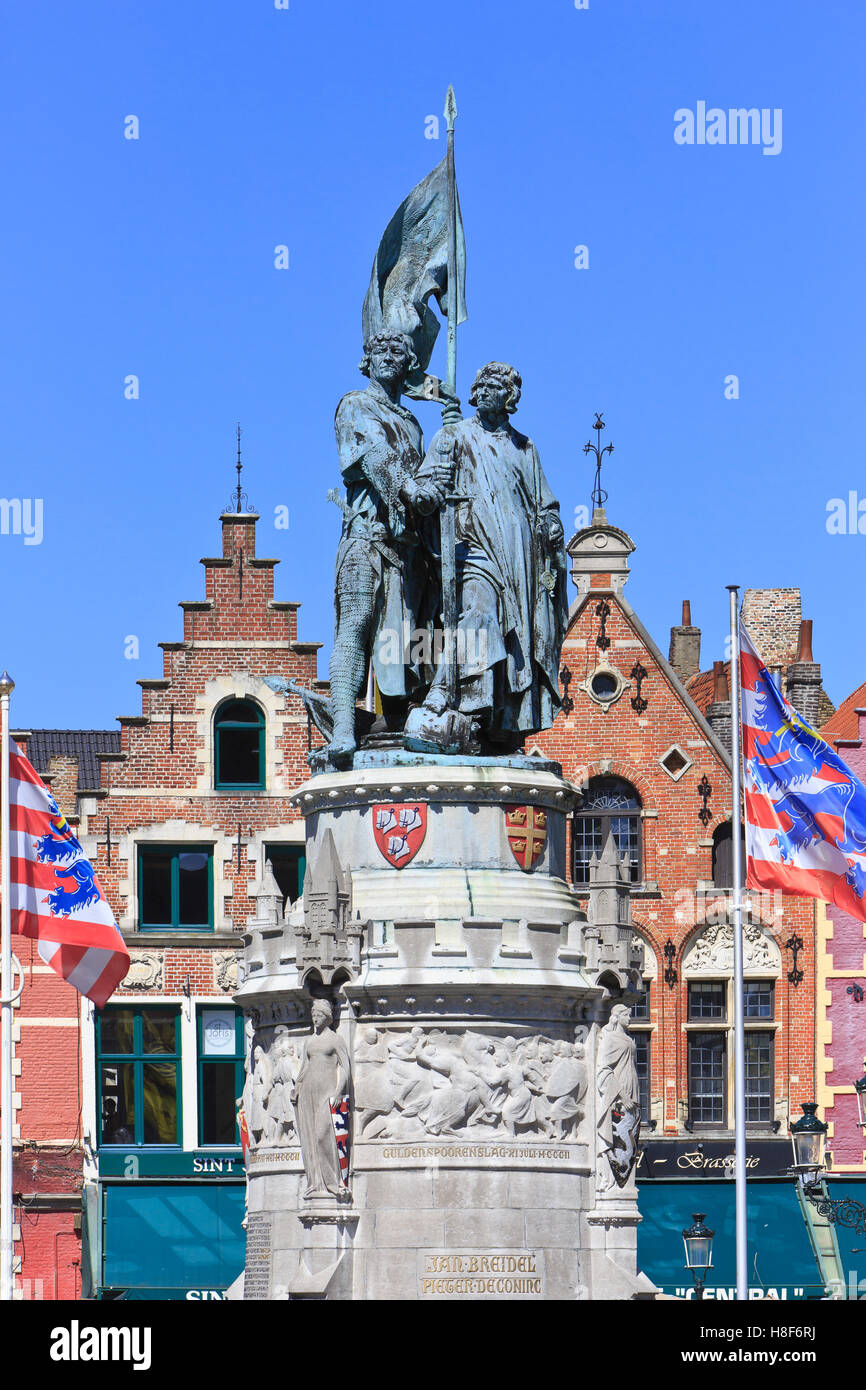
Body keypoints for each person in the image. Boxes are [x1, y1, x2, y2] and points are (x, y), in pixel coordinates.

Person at [416, 361, 567, 749]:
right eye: (479, 384)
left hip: (519, 558)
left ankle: (502, 722)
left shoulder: (525, 447)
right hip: (471, 547)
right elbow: (426, 488)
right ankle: (460, 699)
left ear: (509, 397)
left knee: (519, 638)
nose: (483, 390)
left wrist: (552, 526)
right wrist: (434, 488)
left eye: (494, 386)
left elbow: (545, 503)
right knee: (479, 612)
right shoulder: (453, 436)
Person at [329, 331, 451, 764]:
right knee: (357, 627)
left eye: (397, 351)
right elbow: (374, 457)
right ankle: (343, 723)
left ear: (409, 365)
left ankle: (400, 720)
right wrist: (412, 490)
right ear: (367, 360)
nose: (386, 356)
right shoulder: (354, 405)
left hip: (409, 551)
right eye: (379, 350)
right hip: (366, 539)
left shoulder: (415, 426)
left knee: (411, 643)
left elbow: (428, 480)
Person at [291, 1000, 351, 1198]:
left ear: (327, 1016)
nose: (314, 1018)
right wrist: (297, 1086)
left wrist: (339, 1091)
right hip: (308, 1092)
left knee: (323, 1135)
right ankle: (315, 1183)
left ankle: (334, 1183)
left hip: (326, 1094)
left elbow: (344, 1067)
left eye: (318, 1015)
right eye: (313, 1014)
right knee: (310, 1138)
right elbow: (305, 1066)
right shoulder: (309, 1041)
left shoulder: (335, 1040)